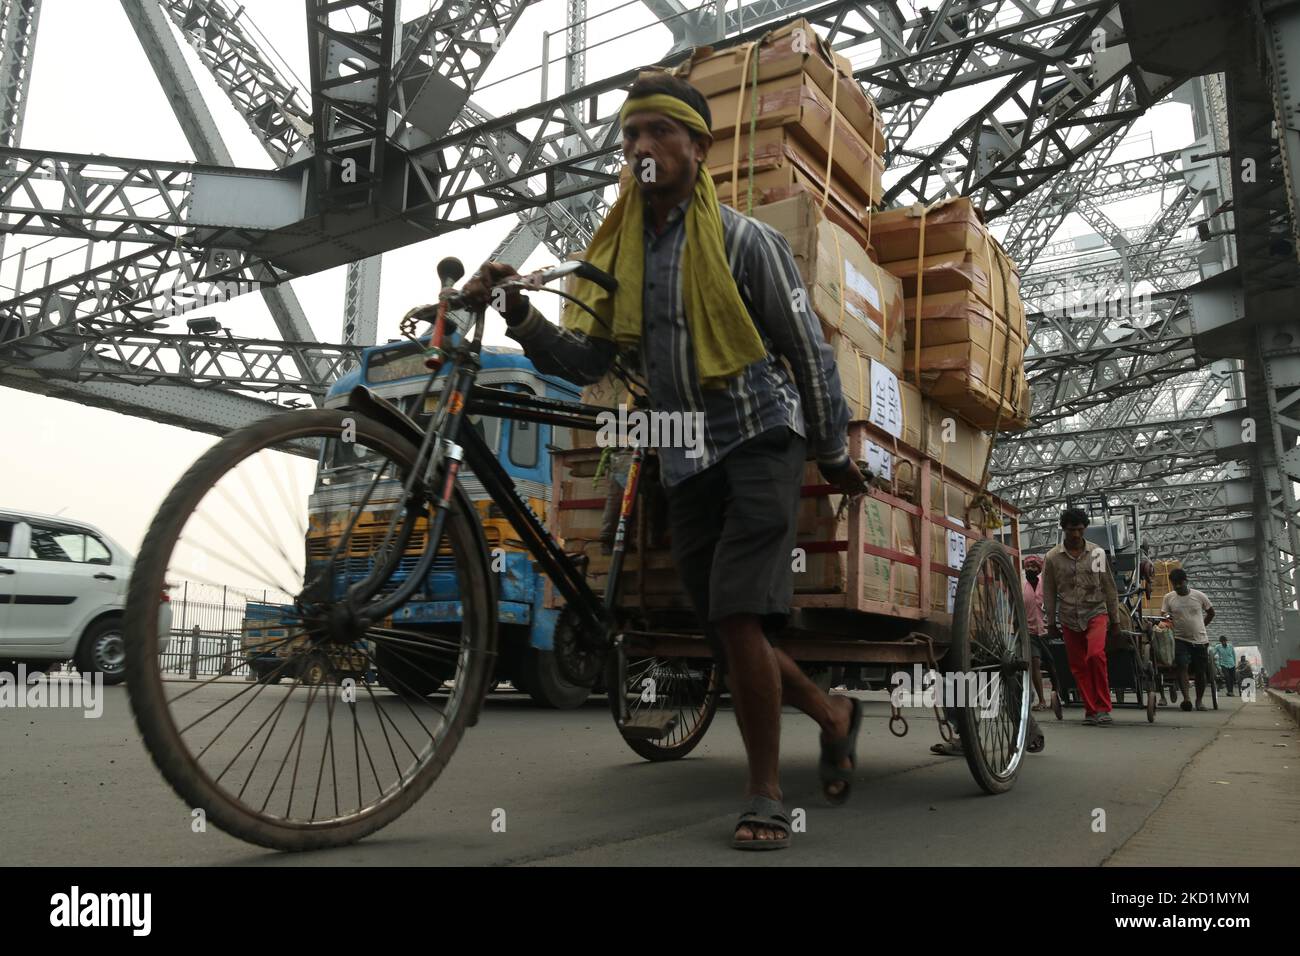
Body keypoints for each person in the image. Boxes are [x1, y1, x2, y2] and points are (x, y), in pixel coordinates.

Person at [461, 70, 868, 850]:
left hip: (758, 440)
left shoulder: (748, 244)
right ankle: (829, 711)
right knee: (722, 628)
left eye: (658, 133)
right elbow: (587, 364)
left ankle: (765, 793)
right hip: (682, 454)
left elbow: (808, 354)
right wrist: (519, 312)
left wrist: (830, 448)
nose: (642, 148)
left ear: (698, 147)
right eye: (629, 137)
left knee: (738, 612)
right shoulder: (615, 261)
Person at [1042, 507, 1122, 726]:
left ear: (1085, 528)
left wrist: (1115, 621)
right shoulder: (1052, 558)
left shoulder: (1096, 553)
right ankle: (1090, 710)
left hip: (1095, 611)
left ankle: (1103, 707)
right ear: (1064, 530)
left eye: (1079, 529)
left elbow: (1108, 586)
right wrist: (1050, 622)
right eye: (1070, 530)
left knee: (1095, 655)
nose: (1075, 535)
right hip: (1068, 616)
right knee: (1078, 665)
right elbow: (1048, 591)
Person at [1160, 568, 1215, 711]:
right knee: (1182, 667)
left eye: (1180, 583)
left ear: (1186, 581)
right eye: (1175, 584)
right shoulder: (1169, 597)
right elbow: (1164, 614)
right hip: (1180, 638)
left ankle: (1199, 700)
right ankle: (1186, 699)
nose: (1177, 586)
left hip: (1200, 640)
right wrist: (1167, 619)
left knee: (1200, 671)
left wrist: (1202, 625)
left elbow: (1211, 612)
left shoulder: (1199, 596)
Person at [1023, 554, 1050, 712]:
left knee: (1053, 666)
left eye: (1034, 567)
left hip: (1046, 630)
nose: (1031, 569)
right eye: (1028, 567)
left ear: (1039, 569)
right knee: (1035, 664)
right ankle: (1041, 700)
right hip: (1030, 631)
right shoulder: (1022, 586)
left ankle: (1058, 695)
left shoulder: (1044, 585)